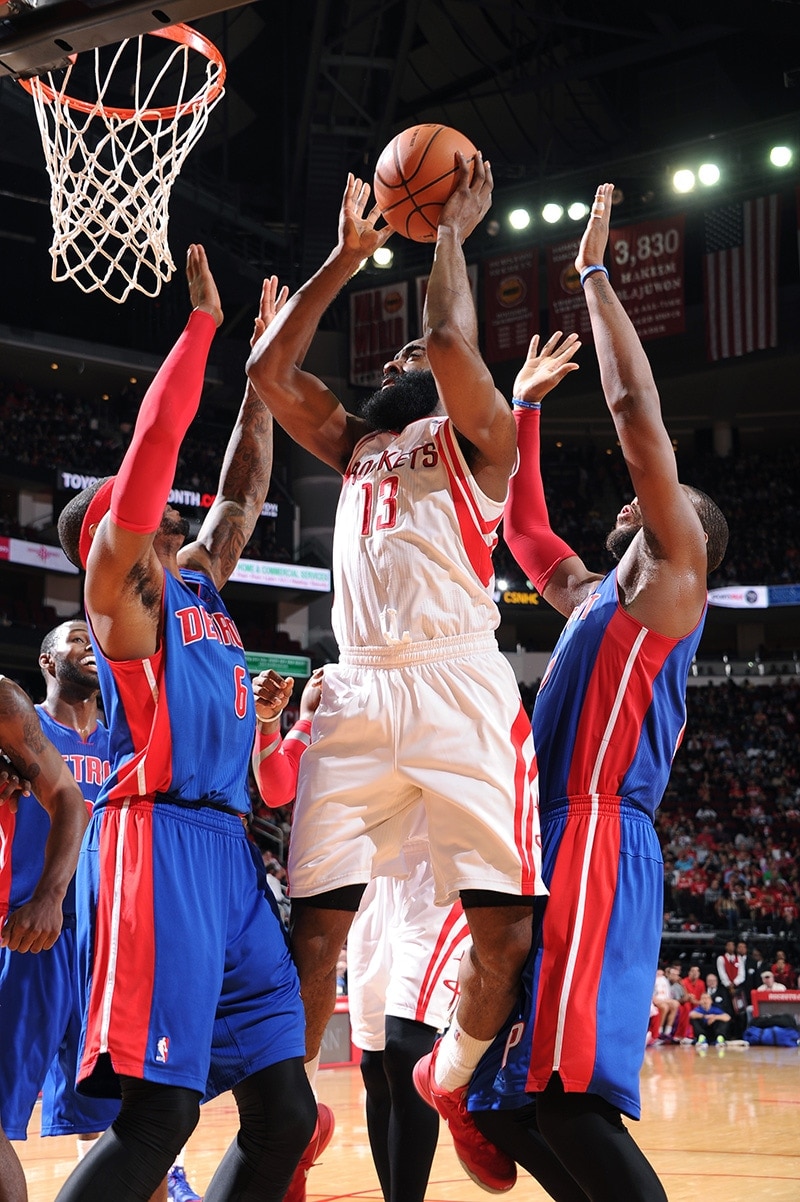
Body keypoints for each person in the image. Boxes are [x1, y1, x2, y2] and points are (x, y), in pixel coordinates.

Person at [246, 158, 542, 1194]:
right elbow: (270, 379)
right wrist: (347, 255)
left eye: (422, 351)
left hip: (457, 684)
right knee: (313, 929)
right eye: (400, 352)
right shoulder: (357, 442)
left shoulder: (482, 443)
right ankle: (283, 1123)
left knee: (506, 931)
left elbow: (455, 339)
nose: (411, 353)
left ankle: (453, 1079)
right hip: (361, 685)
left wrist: (449, 232)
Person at [466, 183, 729, 1202]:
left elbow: (631, 412)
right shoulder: (590, 590)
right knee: (502, 1097)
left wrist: (589, 277)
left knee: (566, 1096)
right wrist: (524, 406)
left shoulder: (672, 576)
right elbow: (525, 534)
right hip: (546, 835)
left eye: (660, 498)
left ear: (686, 532)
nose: (631, 495)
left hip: (598, 839)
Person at [53, 249, 317, 1202]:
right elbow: (155, 443)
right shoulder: (122, 601)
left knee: (287, 1115)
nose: (169, 507)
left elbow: (242, 490)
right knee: (160, 1118)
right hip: (152, 845)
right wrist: (200, 330)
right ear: (108, 540)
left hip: (228, 854)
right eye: (144, 509)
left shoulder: (196, 578)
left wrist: (259, 376)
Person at [251, 670, 472, 1202]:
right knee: (374, 1062)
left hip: (432, 874)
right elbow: (277, 786)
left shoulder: (442, 669)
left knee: (403, 1048)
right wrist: (280, 718)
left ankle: (471, 1097)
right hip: (371, 882)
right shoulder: (335, 691)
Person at [0, 674, 90, 1202]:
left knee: (125, 1116)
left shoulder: (6, 706)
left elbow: (66, 797)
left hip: (62, 932)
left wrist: (51, 897)